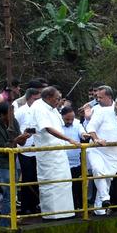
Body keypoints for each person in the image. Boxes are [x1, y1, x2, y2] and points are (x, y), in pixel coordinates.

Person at [27, 86, 75, 219]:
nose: (59, 101)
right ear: (48, 98)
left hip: (60, 152)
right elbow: (48, 128)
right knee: (51, 184)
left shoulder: (53, 109)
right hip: (48, 153)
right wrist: (69, 139)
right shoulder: (39, 107)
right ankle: (52, 215)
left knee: (64, 182)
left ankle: (66, 213)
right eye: (57, 99)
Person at [83, 91, 117, 214]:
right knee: (98, 170)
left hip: (114, 154)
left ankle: (100, 210)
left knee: (107, 179)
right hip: (97, 150)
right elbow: (91, 127)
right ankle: (106, 198)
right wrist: (96, 139)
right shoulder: (103, 112)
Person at [0, 102, 32, 225]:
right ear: (2, 115)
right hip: (2, 163)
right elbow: (3, 148)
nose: (12, 116)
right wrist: (17, 139)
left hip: (13, 161)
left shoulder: (14, 121)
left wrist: (23, 137)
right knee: (9, 192)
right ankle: (5, 223)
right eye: (10, 114)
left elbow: (20, 143)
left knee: (12, 193)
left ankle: (8, 220)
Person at [13, 82, 43, 216]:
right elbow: (14, 128)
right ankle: (26, 206)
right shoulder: (20, 111)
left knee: (38, 177)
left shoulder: (41, 111)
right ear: (29, 98)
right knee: (27, 177)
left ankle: (35, 204)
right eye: (36, 99)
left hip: (39, 148)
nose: (38, 102)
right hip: (25, 148)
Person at [61, 105, 88, 211]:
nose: (70, 121)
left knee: (78, 185)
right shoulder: (58, 125)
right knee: (66, 186)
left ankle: (80, 206)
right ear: (62, 117)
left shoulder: (77, 123)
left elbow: (81, 132)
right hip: (63, 161)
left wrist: (85, 135)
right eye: (67, 119)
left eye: (72, 119)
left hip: (76, 161)